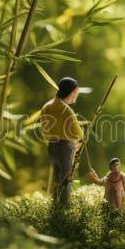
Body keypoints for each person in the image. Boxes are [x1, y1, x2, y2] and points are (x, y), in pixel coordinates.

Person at [40, 77, 82, 206]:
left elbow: (44, 128)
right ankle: (64, 207)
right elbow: (78, 133)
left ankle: (55, 204)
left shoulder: (47, 106)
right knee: (66, 178)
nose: (76, 96)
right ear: (71, 92)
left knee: (56, 177)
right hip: (66, 147)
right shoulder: (66, 110)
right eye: (76, 93)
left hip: (52, 146)